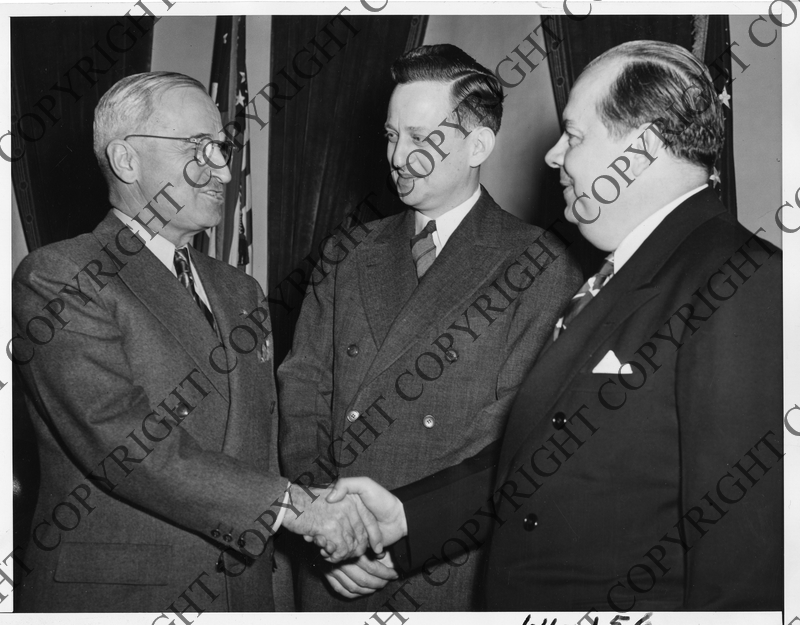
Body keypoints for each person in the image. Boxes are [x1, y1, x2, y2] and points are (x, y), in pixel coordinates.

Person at [328, 40, 782, 611]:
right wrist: (410, 515)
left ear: (638, 150)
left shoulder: (738, 279)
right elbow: (551, 456)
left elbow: (746, 556)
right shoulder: (627, 271)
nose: (552, 155)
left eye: (575, 135)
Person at [11, 71, 380, 613]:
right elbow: (126, 444)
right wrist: (296, 510)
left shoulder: (240, 290)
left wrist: (322, 510)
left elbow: (261, 447)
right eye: (200, 148)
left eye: (223, 148)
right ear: (126, 160)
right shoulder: (61, 274)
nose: (225, 169)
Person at [277, 44, 582, 611]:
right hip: (331, 569)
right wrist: (323, 519)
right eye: (392, 136)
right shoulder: (348, 252)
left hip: (440, 572)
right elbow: (303, 391)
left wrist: (402, 538)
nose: (397, 155)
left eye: (420, 138)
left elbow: (508, 439)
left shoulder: (540, 266)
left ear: (478, 144)